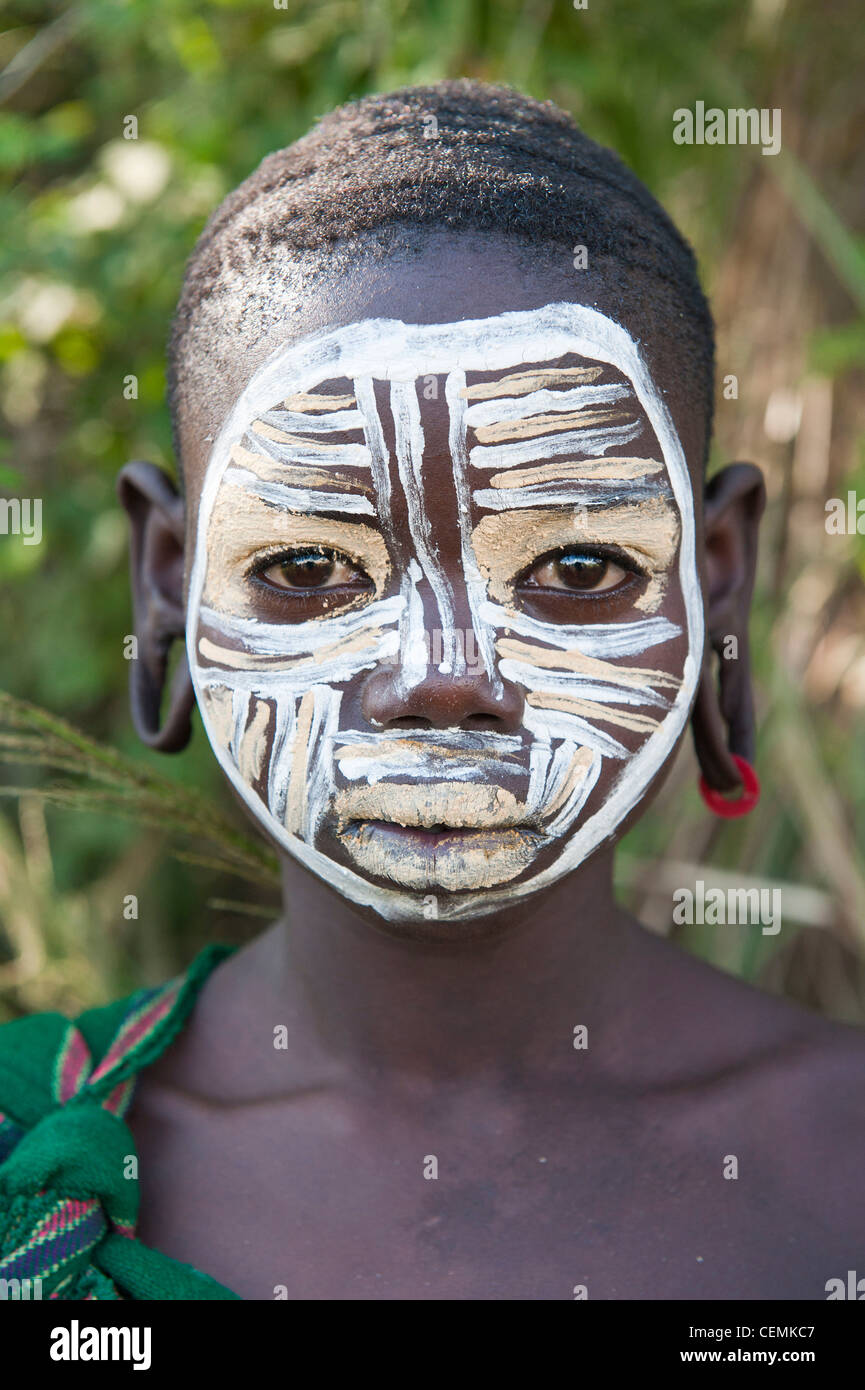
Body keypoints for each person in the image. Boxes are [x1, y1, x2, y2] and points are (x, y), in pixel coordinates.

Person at [1, 80, 862, 1302]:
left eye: (575, 566)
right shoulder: (25, 1158)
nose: (444, 675)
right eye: (307, 569)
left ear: (716, 584)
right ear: (167, 587)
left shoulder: (843, 1167)